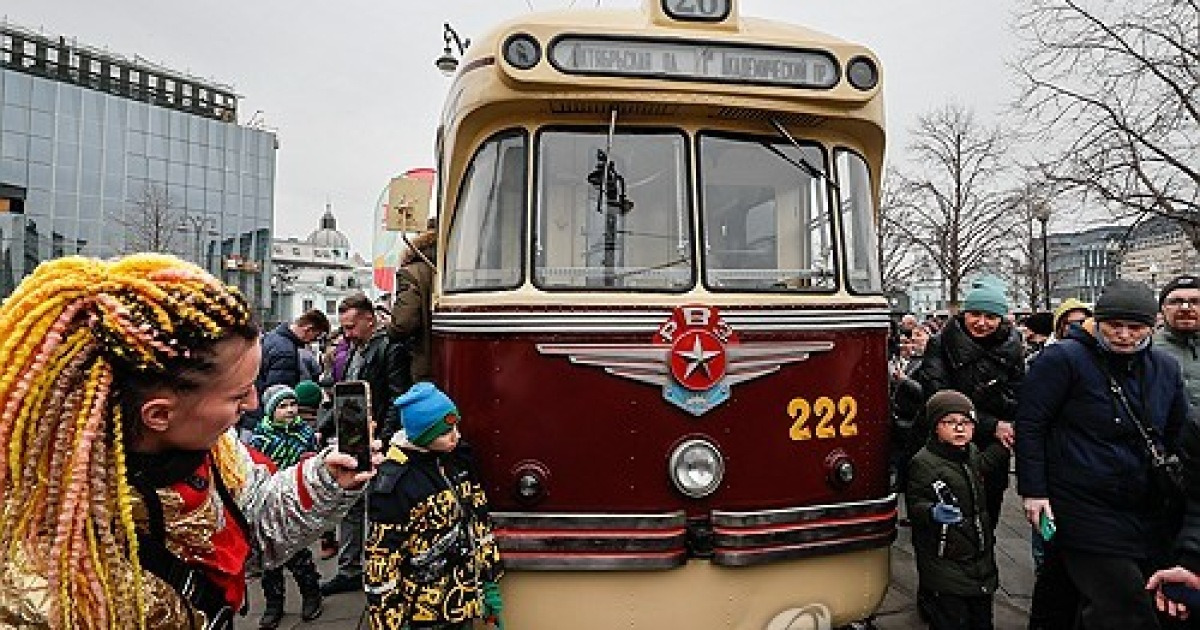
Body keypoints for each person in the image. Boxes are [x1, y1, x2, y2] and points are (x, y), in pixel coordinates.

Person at [0, 254, 371, 629]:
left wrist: (323, 480)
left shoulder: (215, 450)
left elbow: (251, 523)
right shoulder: (46, 566)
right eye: (238, 394)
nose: (254, 404)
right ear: (159, 415)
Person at [1016, 279, 1190, 629]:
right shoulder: (1063, 359)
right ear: (1098, 321)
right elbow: (1031, 425)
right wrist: (1034, 491)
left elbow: (1177, 432)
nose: (1124, 335)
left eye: (1135, 327)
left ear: (1152, 326)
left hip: (1144, 503)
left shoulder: (1165, 368)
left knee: (1062, 592)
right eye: (1115, 326)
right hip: (1080, 501)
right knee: (1123, 604)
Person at [365, 382, 504, 630]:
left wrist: (488, 579)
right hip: (423, 613)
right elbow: (382, 558)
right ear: (422, 435)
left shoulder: (458, 462)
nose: (456, 436)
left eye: (455, 426)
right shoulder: (396, 482)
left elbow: (478, 520)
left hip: (463, 601)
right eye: (444, 431)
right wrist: (390, 623)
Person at [913, 276, 1025, 533]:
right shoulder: (940, 344)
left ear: (1001, 319)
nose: (982, 323)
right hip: (946, 443)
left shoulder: (1013, 347)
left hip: (992, 447)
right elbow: (938, 396)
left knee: (987, 516)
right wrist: (992, 422)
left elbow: (1020, 394)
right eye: (975, 314)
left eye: (990, 317)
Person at [321, 293, 411, 596]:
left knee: (367, 504)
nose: (346, 334)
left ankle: (361, 568)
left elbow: (396, 397)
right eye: (344, 327)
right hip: (357, 436)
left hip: (373, 438)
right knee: (351, 502)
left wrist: (383, 439)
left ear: (369, 319)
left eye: (350, 326)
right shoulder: (358, 349)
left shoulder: (388, 349)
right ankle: (351, 568)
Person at [908, 390, 1009, 630]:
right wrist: (931, 511)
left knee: (981, 619)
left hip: (978, 556)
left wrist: (1004, 447)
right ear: (935, 427)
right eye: (950, 422)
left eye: (966, 422)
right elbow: (915, 503)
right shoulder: (924, 462)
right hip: (946, 561)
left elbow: (983, 464)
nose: (959, 428)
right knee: (951, 619)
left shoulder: (970, 453)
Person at [250, 384, 325, 628]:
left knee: (298, 554)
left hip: (295, 503)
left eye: (293, 404)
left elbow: (314, 463)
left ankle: (311, 594)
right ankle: (274, 603)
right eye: (282, 406)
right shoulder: (261, 437)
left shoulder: (304, 433)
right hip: (269, 503)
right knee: (270, 560)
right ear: (270, 411)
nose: (290, 410)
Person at [390, 227, 438, 383]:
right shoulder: (453, 267)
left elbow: (403, 323)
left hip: (425, 362)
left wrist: (388, 327)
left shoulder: (412, 272)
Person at [1156, 275, 1200, 408]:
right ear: (1163, 308)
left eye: (1195, 301)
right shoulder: (1145, 350)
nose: (1186, 308)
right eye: (1176, 301)